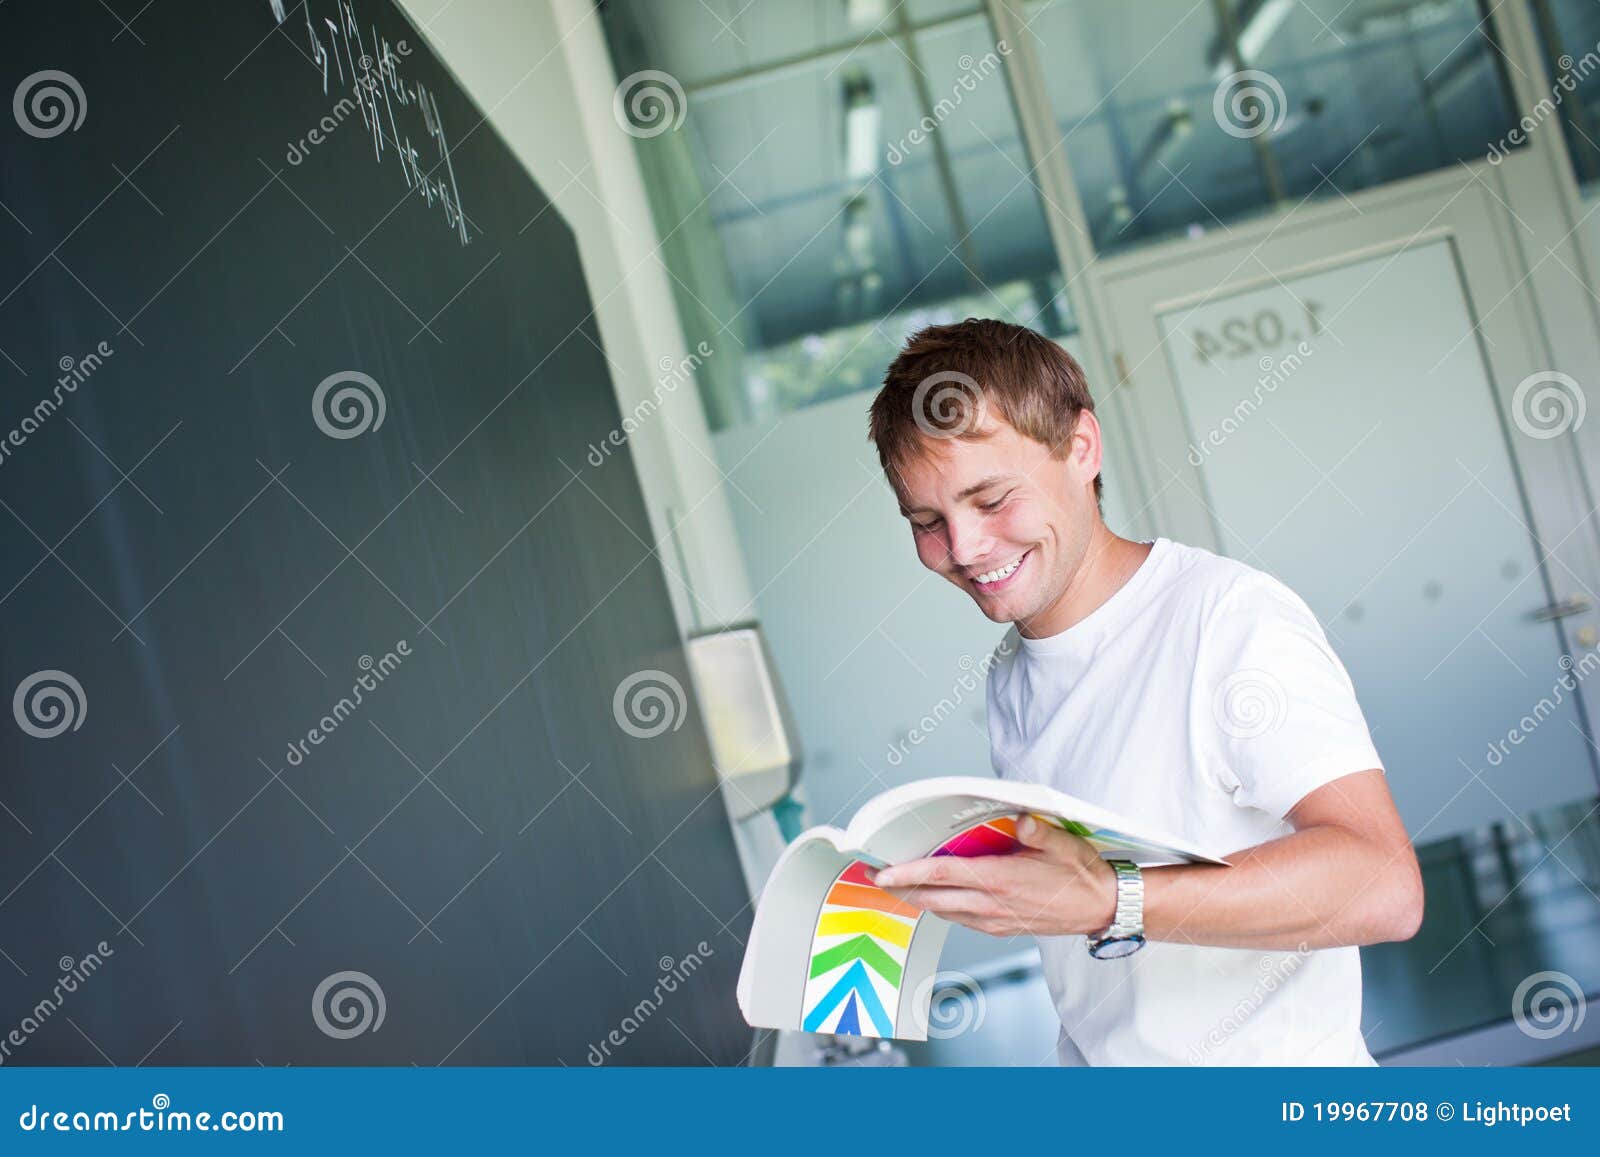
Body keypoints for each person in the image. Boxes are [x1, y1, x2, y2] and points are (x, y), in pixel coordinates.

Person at [864, 318, 1423, 1066]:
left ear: (1081, 446)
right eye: (928, 522)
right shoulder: (1013, 671)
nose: (963, 549)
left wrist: (1109, 898)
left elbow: (1383, 886)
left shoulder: (1226, 618)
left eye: (992, 499)